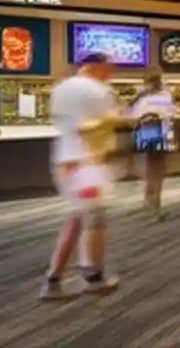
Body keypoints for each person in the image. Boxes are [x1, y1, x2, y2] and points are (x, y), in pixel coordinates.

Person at [40, 53, 120, 300]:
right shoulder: (100, 91)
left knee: (76, 218)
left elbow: (62, 123)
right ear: (95, 66)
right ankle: (93, 277)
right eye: (108, 68)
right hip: (87, 165)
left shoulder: (60, 88)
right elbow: (102, 124)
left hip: (64, 160)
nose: (111, 74)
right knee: (95, 220)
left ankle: (53, 280)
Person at [129, 73, 175, 220]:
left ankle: (148, 200)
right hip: (161, 135)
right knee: (159, 169)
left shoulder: (141, 98)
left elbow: (133, 117)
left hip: (144, 136)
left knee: (149, 169)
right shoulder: (165, 97)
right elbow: (171, 115)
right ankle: (156, 203)